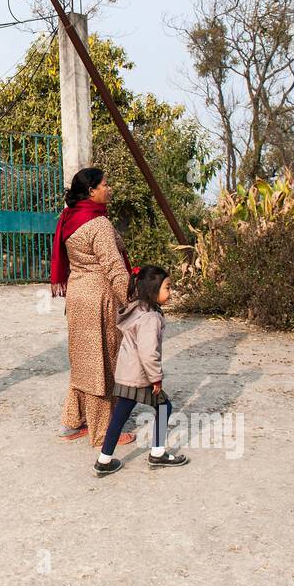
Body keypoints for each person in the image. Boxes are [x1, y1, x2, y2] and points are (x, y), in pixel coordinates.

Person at [50, 167, 135, 452]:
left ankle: (72, 422)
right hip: (100, 299)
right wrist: (133, 303)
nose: (108, 189)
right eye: (105, 185)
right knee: (101, 364)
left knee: (85, 362)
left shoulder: (70, 218)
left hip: (77, 298)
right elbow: (114, 267)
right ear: (91, 191)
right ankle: (102, 432)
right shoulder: (97, 224)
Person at [94, 265, 189, 475]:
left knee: (120, 416)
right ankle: (157, 453)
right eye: (167, 287)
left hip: (126, 373)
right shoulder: (150, 318)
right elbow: (148, 353)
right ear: (152, 290)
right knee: (165, 407)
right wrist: (156, 379)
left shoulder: (137, 308)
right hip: (141, 376)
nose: (170, 292)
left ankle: (104, 459)